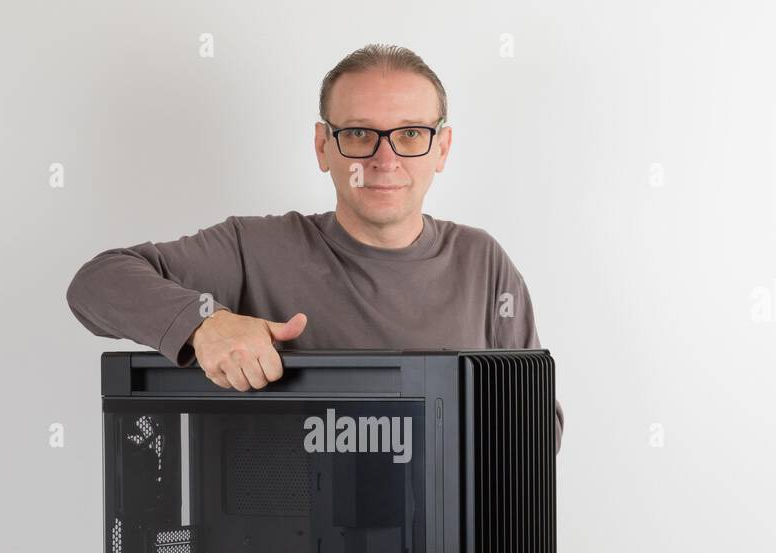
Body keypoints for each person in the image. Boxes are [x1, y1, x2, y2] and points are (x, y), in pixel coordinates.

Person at [67, 43, 563, 450]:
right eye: (358, 134)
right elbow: (96, 283)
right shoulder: (254, 247)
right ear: (323, 147)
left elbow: (541, 426)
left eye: (411, 134)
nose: (384, 159)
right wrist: (204, 324)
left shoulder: (483, 262)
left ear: (442, 148)